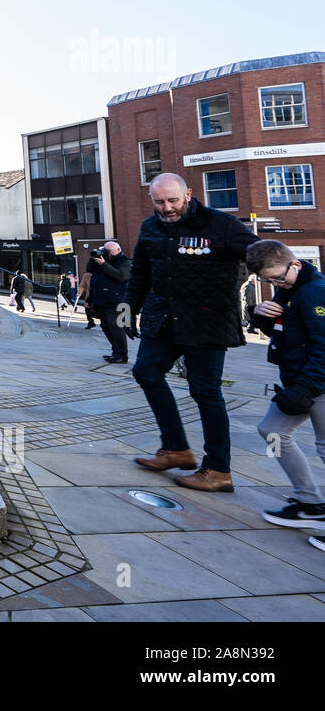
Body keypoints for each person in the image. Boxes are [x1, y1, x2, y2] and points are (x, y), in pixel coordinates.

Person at [126, 172, 259, 492]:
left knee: (205, 392)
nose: (167, 208)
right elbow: (140, 272)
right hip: (164, 319)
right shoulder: (150, 227)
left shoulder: (220, 224)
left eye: (173, 200)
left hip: (207, 322)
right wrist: (126, 312)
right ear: (151, 200)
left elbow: (258, 253)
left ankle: (217, 470)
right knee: (146, 372)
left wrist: (237, 282)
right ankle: (175, 449)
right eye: (160, 202)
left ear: (188, 194)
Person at [246, 241, 325, 536]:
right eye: (268, 280)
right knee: (273, 430)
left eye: (278, 278)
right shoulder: (289, 289)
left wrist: (306, 389)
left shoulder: (315, 291)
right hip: (300, 381)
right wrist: (262, 317)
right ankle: (310, 503)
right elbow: (289, 333)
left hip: (316, 383)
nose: (274, 284)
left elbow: (323, 346)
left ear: (294, 264)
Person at [88, 242, 132, 363]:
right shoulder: (102, 260)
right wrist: (94, 258)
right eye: (106, 251)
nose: (108, 253)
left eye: (110, 251)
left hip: (118, 301)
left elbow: (121, 276)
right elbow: (89, 269)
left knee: (116, 326)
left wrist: (104, 264)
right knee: (106, 326)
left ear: (118, 249)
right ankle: (116, 352)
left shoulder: (126, 262)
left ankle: (122, 355)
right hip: (102, 300)